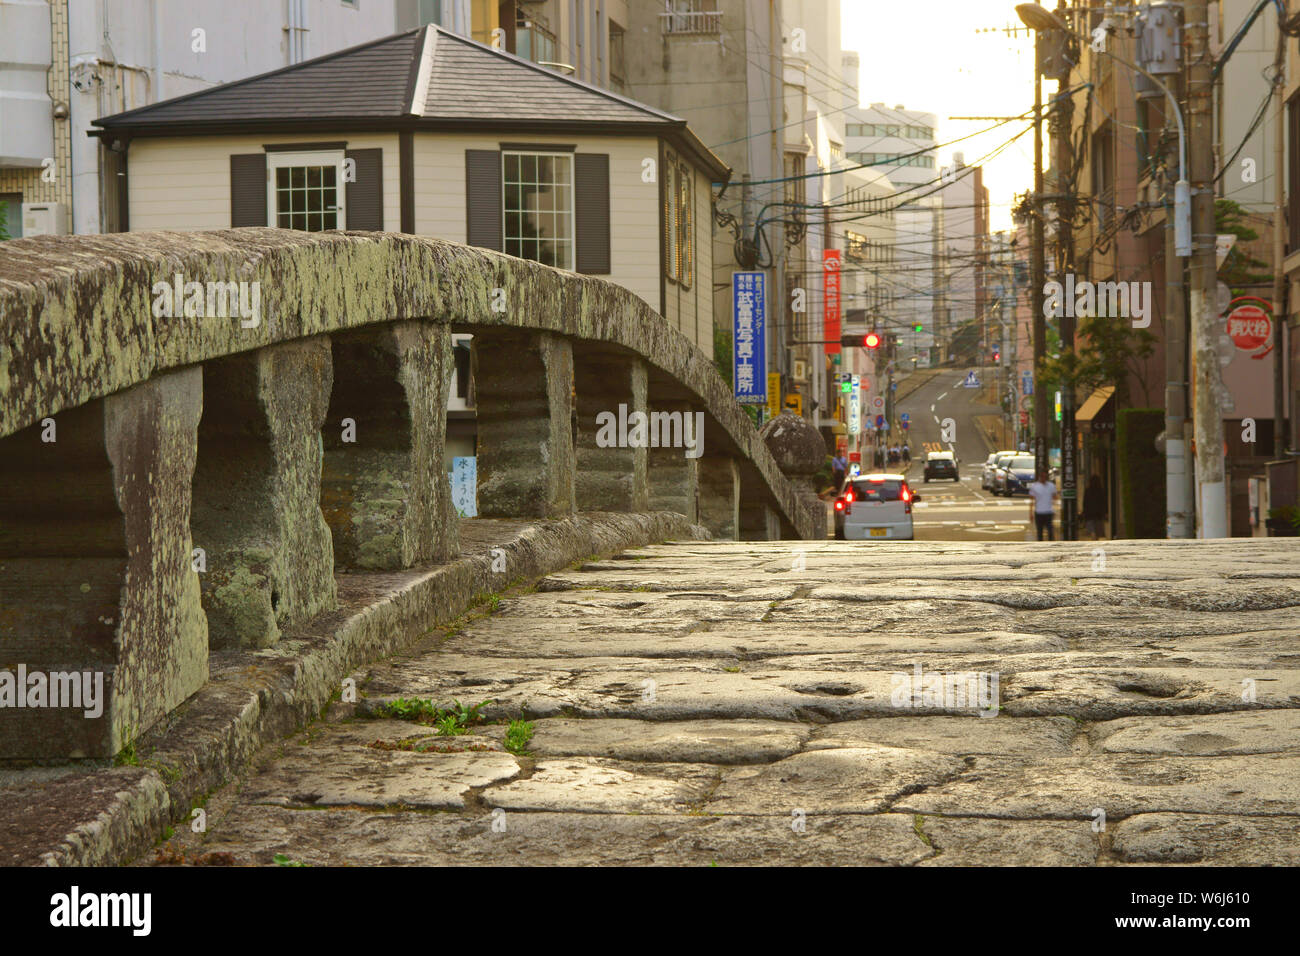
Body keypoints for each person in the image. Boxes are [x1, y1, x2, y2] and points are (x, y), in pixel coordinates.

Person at [1027, 470, 1057, 541]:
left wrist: (1055, 510)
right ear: (1040, 477)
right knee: (1039, 533)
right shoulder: (1035, 486)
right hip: (1039, 512)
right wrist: (1031, 513)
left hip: (1048, 512)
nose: (1044, 478)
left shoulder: (1051, 486)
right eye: (1042, 477)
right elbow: (1031, 501)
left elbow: (1055, 497)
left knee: (1050, 532)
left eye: (1045, 477)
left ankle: (1052, 547)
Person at [1082, 473, 1107, 539]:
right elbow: (1103, 502)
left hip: (1089, 513)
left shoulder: (1088, 490)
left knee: (1091, 528)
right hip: (1098, 513)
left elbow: (1085, 502)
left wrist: (1084, 512)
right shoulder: (1101, 490)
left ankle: (1093, 535)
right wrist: (1105, 512)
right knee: (1098, 528)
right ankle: (1096, 536)